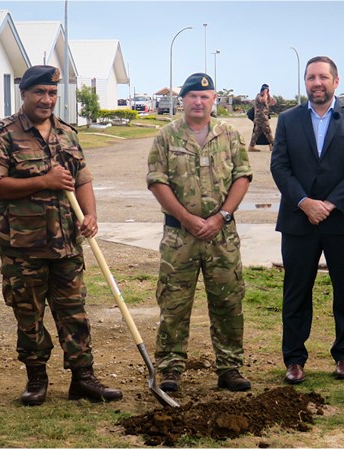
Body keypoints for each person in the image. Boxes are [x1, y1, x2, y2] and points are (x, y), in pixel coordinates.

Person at [0, 65, 122, 406]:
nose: (47, 99)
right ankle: (36, 380)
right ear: (24, 94)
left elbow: (82, 179)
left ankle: (83, 379)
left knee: (74, 312)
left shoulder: (67, 134)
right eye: (40, 93)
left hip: (66, 244)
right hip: (22, 247)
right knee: (29, 315)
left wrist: (90, 215)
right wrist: (43, 181)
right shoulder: (3, 135)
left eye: (52, 93)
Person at [146, 72, 253, 393]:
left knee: (228, 302)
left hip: (222, 236)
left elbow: (243, 177)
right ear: (183, 100)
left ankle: (229, 367)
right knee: (174, 304)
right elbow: (156, 181)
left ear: (213, 99)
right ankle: (170, 369)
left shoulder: (230, 135)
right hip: (180, 237)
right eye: (192, 95)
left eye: (205, 96)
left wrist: (222, 216)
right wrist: (186, 217)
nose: (198, 101)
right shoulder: (166, 136)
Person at [270, 56, 344, 385]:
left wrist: (328, 204)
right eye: (311, 77)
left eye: (323, 77)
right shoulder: (287, 120)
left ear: (336, 81)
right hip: (299, 221)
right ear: (305, 82)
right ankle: (295, 360)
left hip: (343, 219)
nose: (318, 83)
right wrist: (304, 202)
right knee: (296, 291)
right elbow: (279, 166)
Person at [249, 83, 277, 152]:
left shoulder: (266, 96)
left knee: (257, 133)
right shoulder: (258, 96)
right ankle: (272, 146)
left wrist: (268, 94)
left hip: (263, 117)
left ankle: (251, 146)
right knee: (268, 132)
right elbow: (264, 100)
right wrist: (265, 93)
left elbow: (273, 102)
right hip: (260, 118)